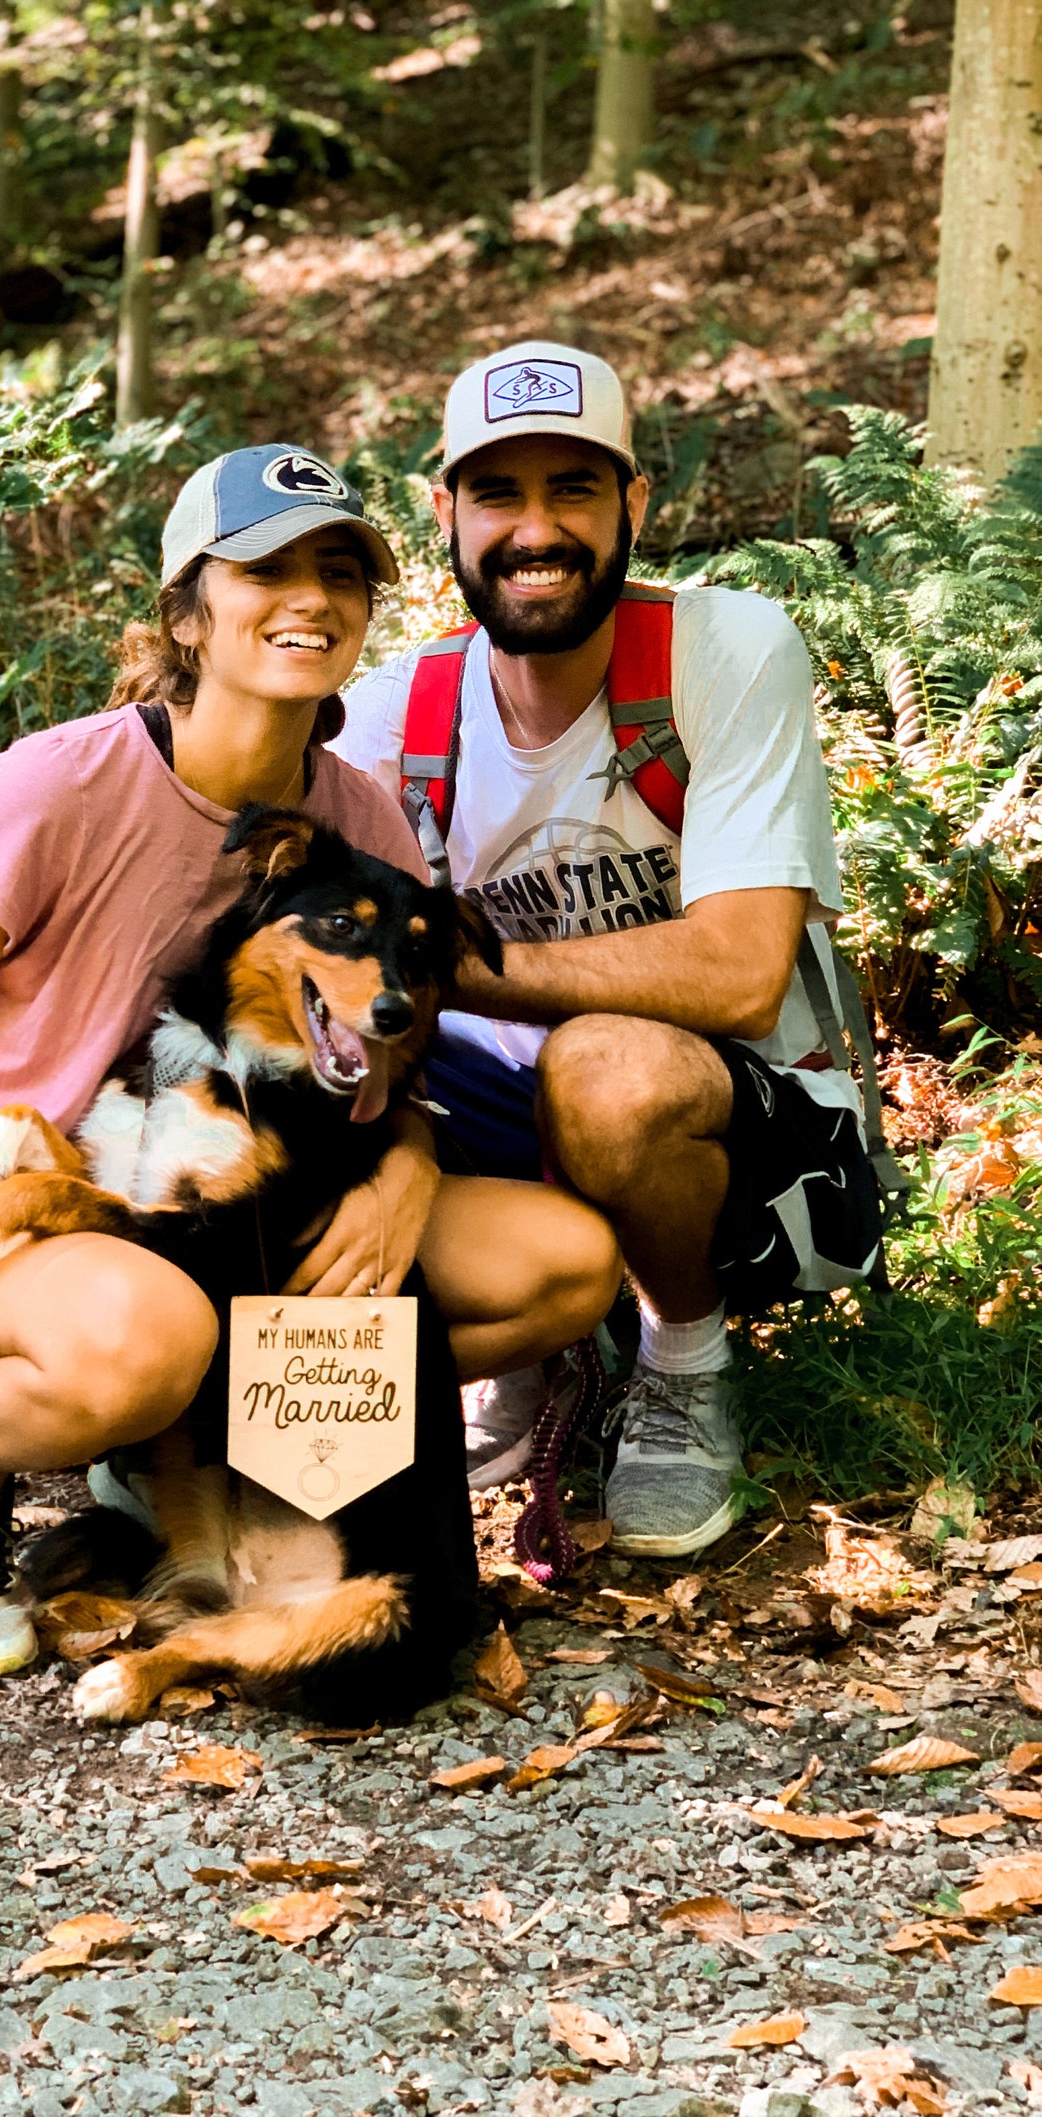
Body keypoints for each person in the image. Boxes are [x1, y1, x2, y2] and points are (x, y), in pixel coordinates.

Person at [0, 441, 621, 1677]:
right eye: (265, 569)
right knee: (150, 1334)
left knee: (560, 1267)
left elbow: (388, 1056)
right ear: (190, 612)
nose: (309, 598)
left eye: (340, 573)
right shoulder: (56, 785)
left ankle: (184, 1454)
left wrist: (406, 1165)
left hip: (200, 1214)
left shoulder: (353, 815)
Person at [332, 343, 884, 1560]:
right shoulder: (392, 714)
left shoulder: (723, 652)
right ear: (446, 517)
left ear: (635, 503)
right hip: (498, 1104)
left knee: (605, 1069)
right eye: (499, 494)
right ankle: (521, 1338)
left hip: (737, 1112)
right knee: (326, 1075)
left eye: (574, 488)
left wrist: (458, 967)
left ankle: (682, 1358)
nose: (538, 529)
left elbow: (739, 972)